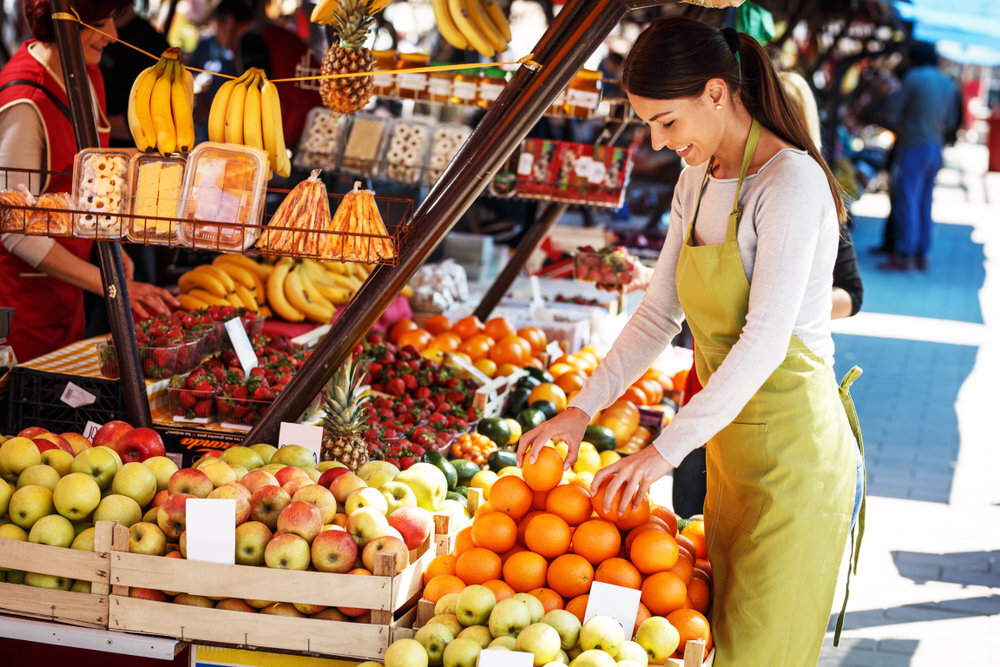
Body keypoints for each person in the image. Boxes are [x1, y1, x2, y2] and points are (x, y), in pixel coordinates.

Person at [518, 17, 864, 665]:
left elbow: (763, 341)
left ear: (714, 93)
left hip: (794, 459)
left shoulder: (788, 183)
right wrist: (578, 408)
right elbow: (657, 315)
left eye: (667, 122)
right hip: (731, 454)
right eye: (648, 124)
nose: (658, 140)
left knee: (763, 653)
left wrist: (664, 450)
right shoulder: (698, 177)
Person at [0, 0, 177, 362]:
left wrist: (113, 249)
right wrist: (113, 286)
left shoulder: (83, 74)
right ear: (62, 24)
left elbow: (87, 186)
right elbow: (12, 228)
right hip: (23, 309)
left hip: (68, 296)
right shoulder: (24, 103)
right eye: (102, 22)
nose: (113, 36)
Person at [879, 41, 959, 271]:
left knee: (908, 199)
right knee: (925, 199)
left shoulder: (913, 77)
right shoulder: (947, 83)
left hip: (913, 145)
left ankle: (905, 253)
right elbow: (951, 122)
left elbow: (894, 111)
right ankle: (922, 253)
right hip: (935, 147)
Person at [211, 0, 319, 150]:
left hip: (298, 116)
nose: (217, 37)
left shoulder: (251, 39)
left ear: (228, 22)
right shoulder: (265, 32)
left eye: (217, 28)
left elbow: (255, 98)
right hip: (308, 111)